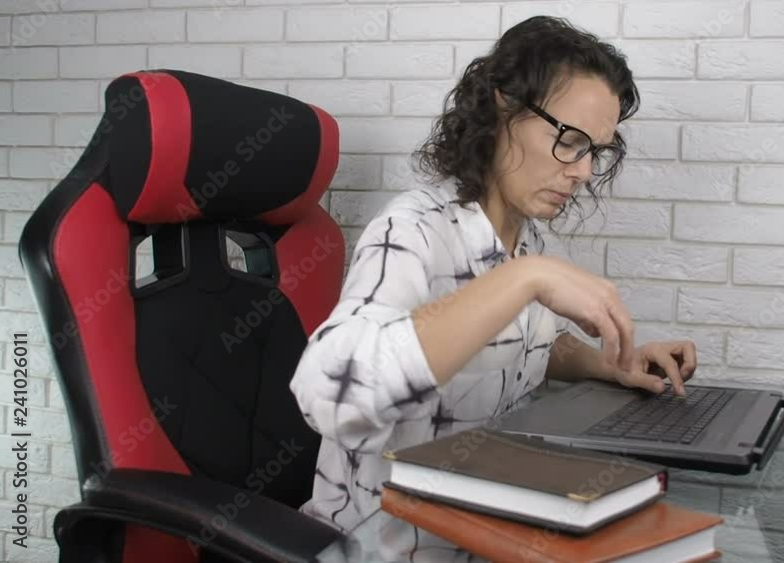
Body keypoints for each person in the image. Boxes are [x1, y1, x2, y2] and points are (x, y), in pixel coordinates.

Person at [290, 15, 698, 546]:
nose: (584, 172)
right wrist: (527, 279)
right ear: (503, 108)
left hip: (487, 538)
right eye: (571, 140)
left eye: (596, 150)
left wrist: (609, 366)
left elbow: (529, 343)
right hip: (385, 548)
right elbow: (329, 392)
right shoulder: (411, 229)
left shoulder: (525, 243)